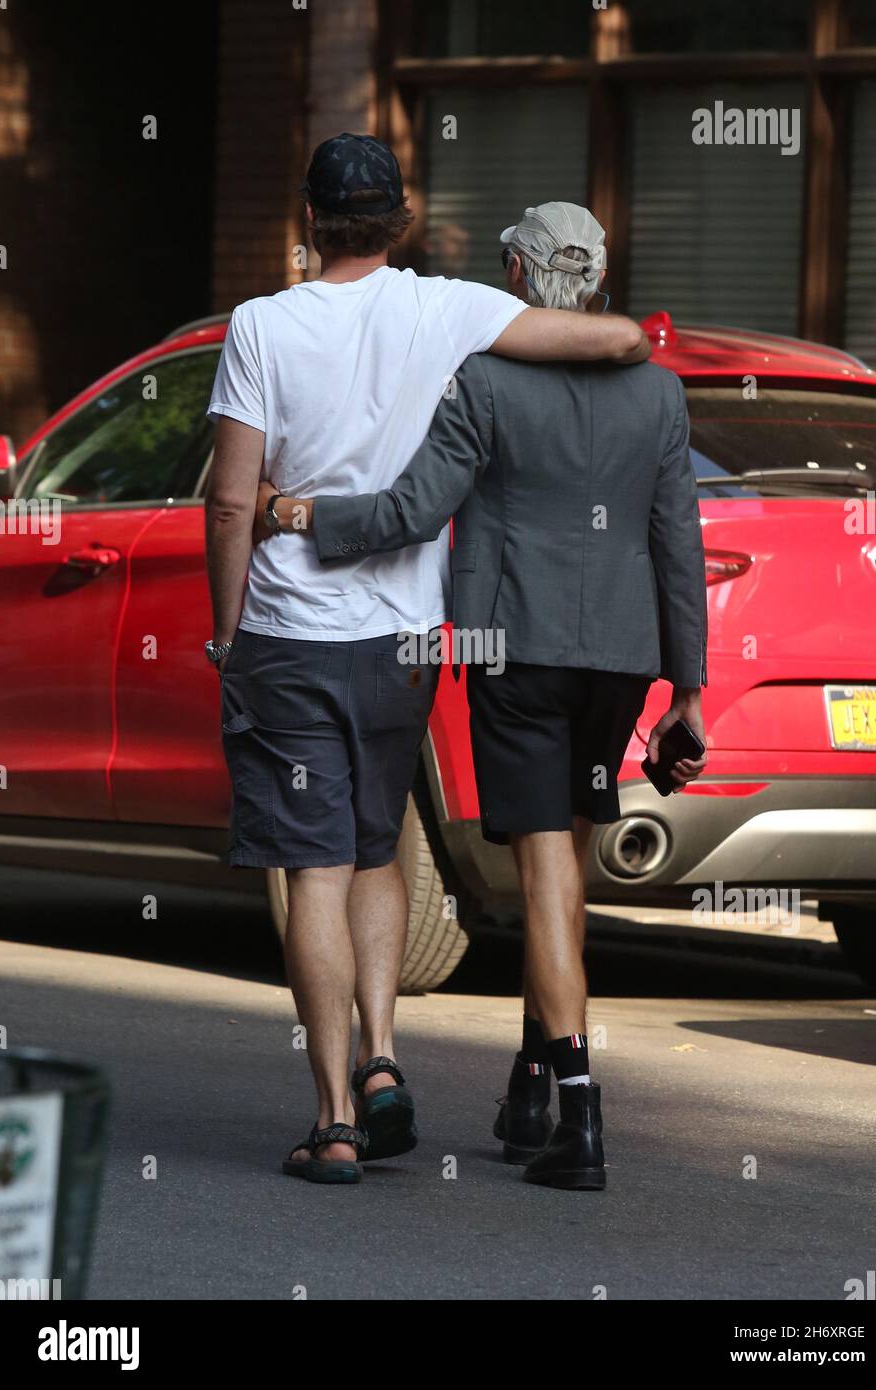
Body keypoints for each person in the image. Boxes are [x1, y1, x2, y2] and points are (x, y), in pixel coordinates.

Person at [204, 138, 652, 1186]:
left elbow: (231, 500)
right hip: (405, 638)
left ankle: (333, 1119)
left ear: (309, 220)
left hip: (289, 633)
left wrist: (228, 635)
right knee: (374, 851)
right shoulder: (447, 309)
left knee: (310, 865)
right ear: (400, 222)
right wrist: (627, 343)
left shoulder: (263, 325)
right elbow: (613, 337)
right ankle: (384, 1056)